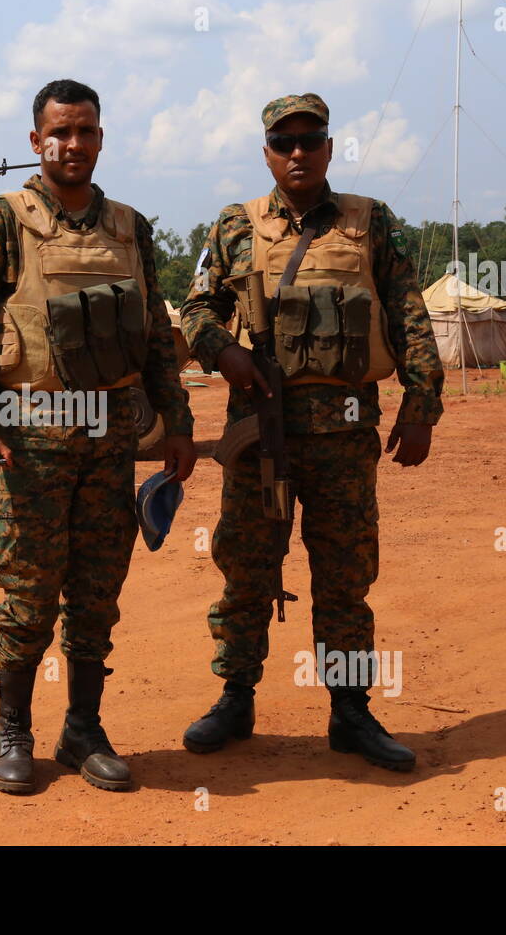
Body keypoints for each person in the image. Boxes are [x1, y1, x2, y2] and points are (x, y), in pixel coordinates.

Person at [0, 79, 196, 794]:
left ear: (100, 138)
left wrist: (177, 424)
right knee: (28, 591)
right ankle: (13, 729)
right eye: (60, 132)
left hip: (111, 442)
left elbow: (152, 335)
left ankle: (82, 729)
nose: (74, 144)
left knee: (96, 593)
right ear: (36, 143)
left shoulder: (128, 227)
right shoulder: (1, 221)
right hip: (32, 442)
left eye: (86, 131)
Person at [179, 93, 444, 771]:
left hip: (345, 431)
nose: (297, 153)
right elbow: (196, 305)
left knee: (345, 576)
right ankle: (235, 698)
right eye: (283, 142)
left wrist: (421, 408)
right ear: (266, 151)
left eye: (310, 140)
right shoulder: (236, 226)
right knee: (244, 567)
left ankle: (351, 713)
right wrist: (221, 351)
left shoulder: (369, 222)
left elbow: (409, 313)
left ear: (329, 147)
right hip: (258, 429)